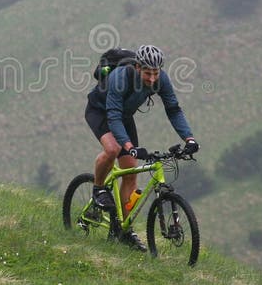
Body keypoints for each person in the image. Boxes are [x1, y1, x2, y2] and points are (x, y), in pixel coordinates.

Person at [84, 44, 199, 251]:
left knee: (130, 173)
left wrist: (189, 139)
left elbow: (173, 109)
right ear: (137, 67)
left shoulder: (161, 79)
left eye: (155, 73)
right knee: (112, 150)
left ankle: (122, 231)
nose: (152, 79)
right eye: (148, 73)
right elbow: (113, 116)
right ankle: (98, 188)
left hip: (123, 117)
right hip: (101, 111)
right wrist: (129, 146)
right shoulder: (120, 77)